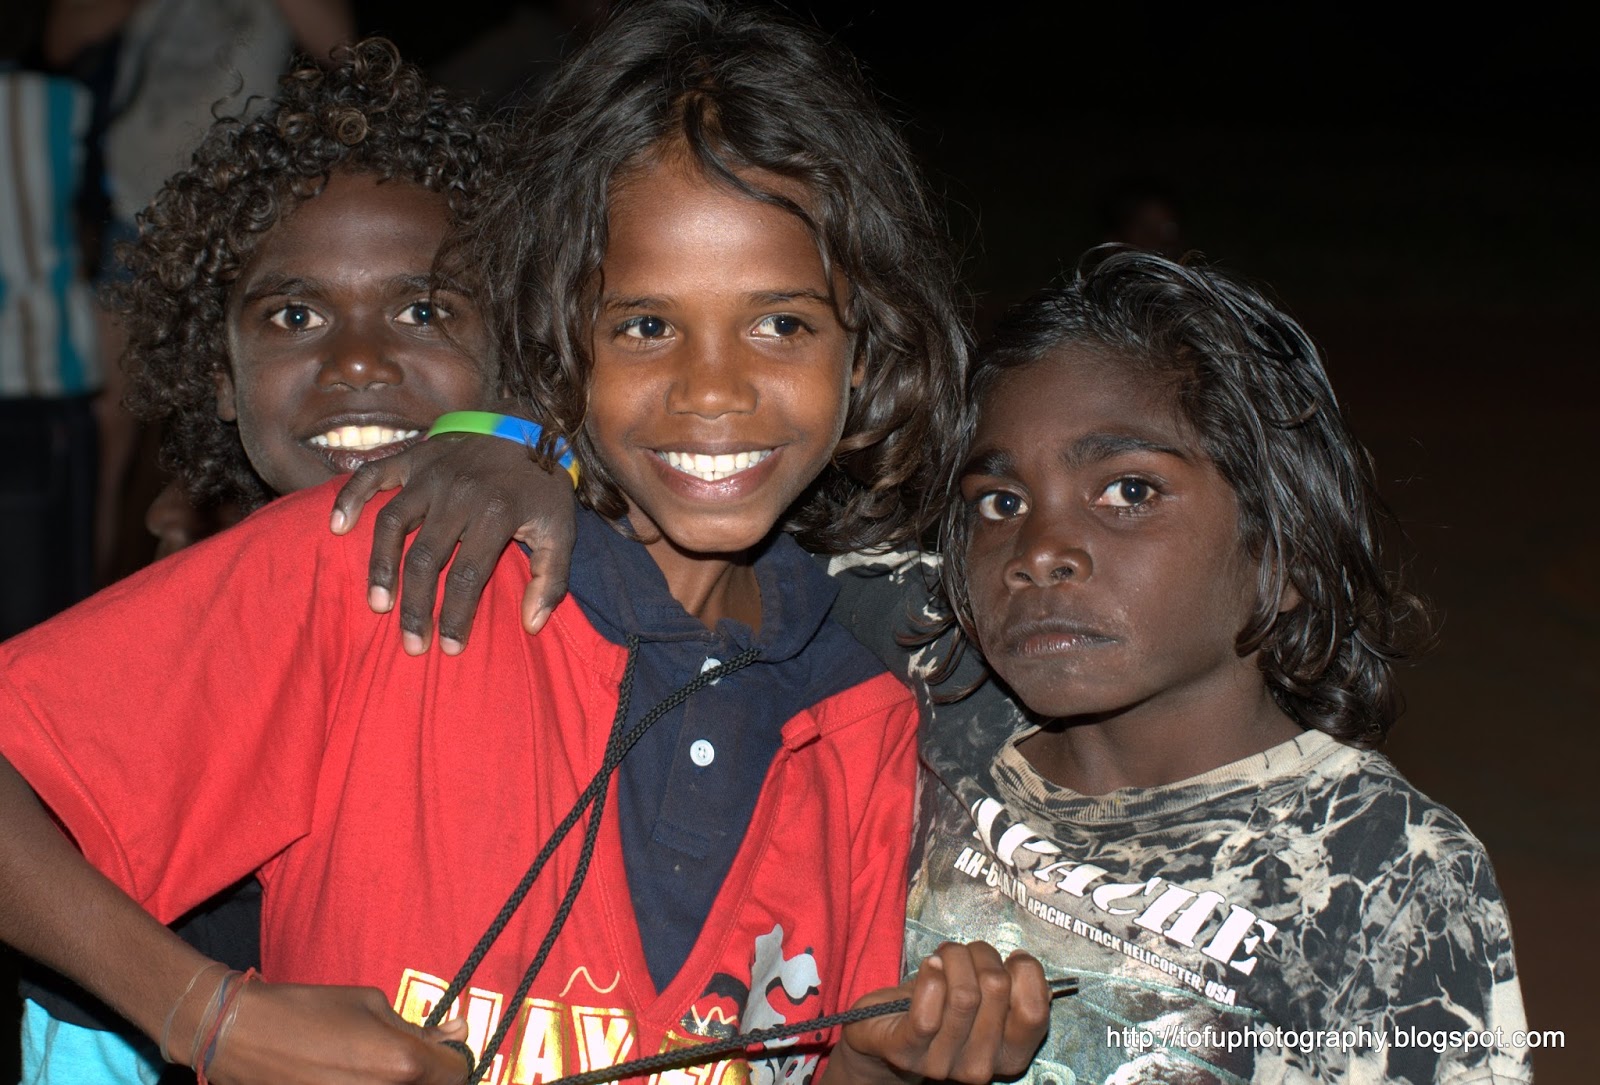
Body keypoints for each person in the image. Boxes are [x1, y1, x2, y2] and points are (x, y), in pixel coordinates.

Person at [0, 5, 1049, 1085]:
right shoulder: (382, 560)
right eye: (643, 325)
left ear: (864, 351)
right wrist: (203, 1012)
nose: (714, 387)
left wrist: (899, 1059)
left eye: (782, 322)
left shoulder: (859, 725)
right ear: (553, 330)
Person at [15, 37, 524, 1085]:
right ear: (219, 378)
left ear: (514, 351)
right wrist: (202, 1014)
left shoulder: (559, 570)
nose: (356, 358)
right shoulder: (204, 619)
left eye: (423, 308)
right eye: (294, 315)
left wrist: (536, 461)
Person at [898, 249, 1530, 1084]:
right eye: (1000, 503)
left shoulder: (1384, 874)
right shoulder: (937, 715)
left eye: (1128, 491)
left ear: (1283, 550)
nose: (1039, 551)